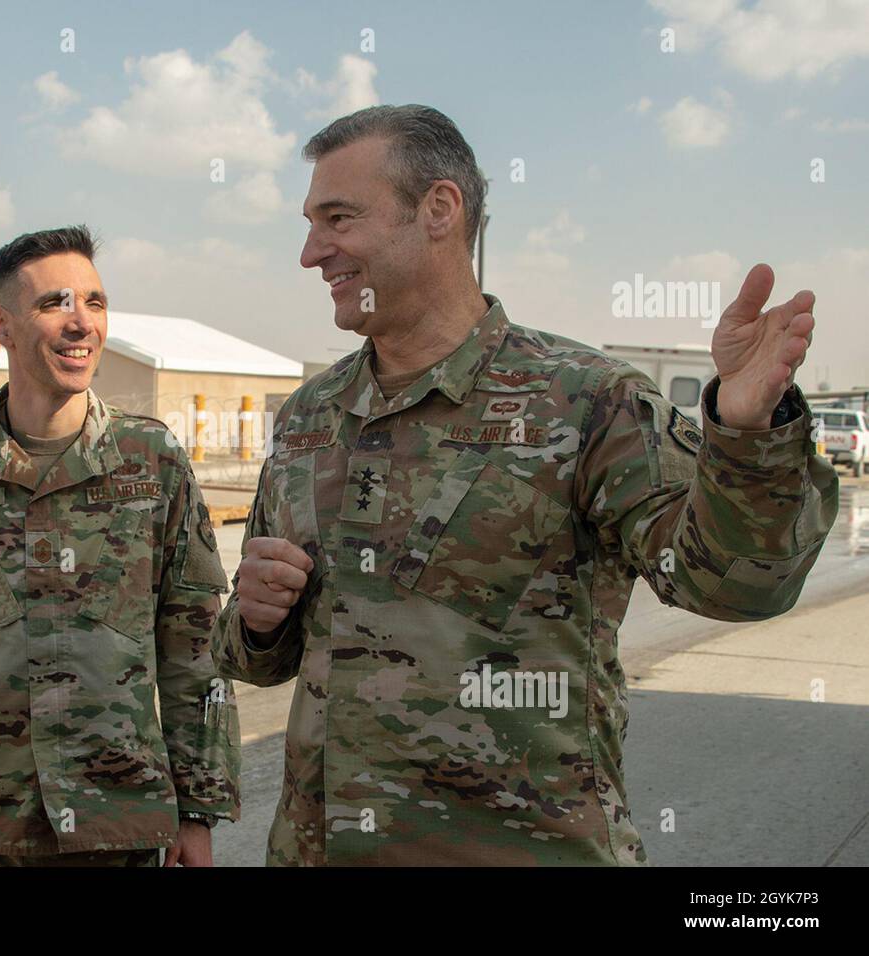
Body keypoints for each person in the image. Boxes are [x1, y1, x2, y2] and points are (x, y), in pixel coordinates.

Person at [213, 104, 837, 866]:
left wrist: (744, 439)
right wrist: (255, 621)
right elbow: (251, 656)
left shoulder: (586, 400)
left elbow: (739, 587)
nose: (311, 253)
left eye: (338, 219)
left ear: (439, 210)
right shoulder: (310, 416)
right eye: (311, 224)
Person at [0, 225, 238, 866]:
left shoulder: (153, 461)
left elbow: (193, 649)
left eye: (95, 302)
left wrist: (198, 811)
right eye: (54, 303)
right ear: (1, 326)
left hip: (117, 830)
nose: (81, 322)